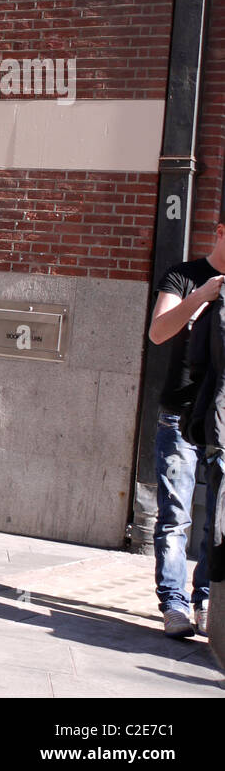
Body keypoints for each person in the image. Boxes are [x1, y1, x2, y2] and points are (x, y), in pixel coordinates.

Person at [147, 222, 225, 637]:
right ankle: (174, 605)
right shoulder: (183, 275)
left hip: (222, 420)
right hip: (179, 414)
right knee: (175, 515)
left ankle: (205, 600)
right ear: (220, 231)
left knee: (217, 517)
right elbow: (158, 332)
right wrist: (200, 296)